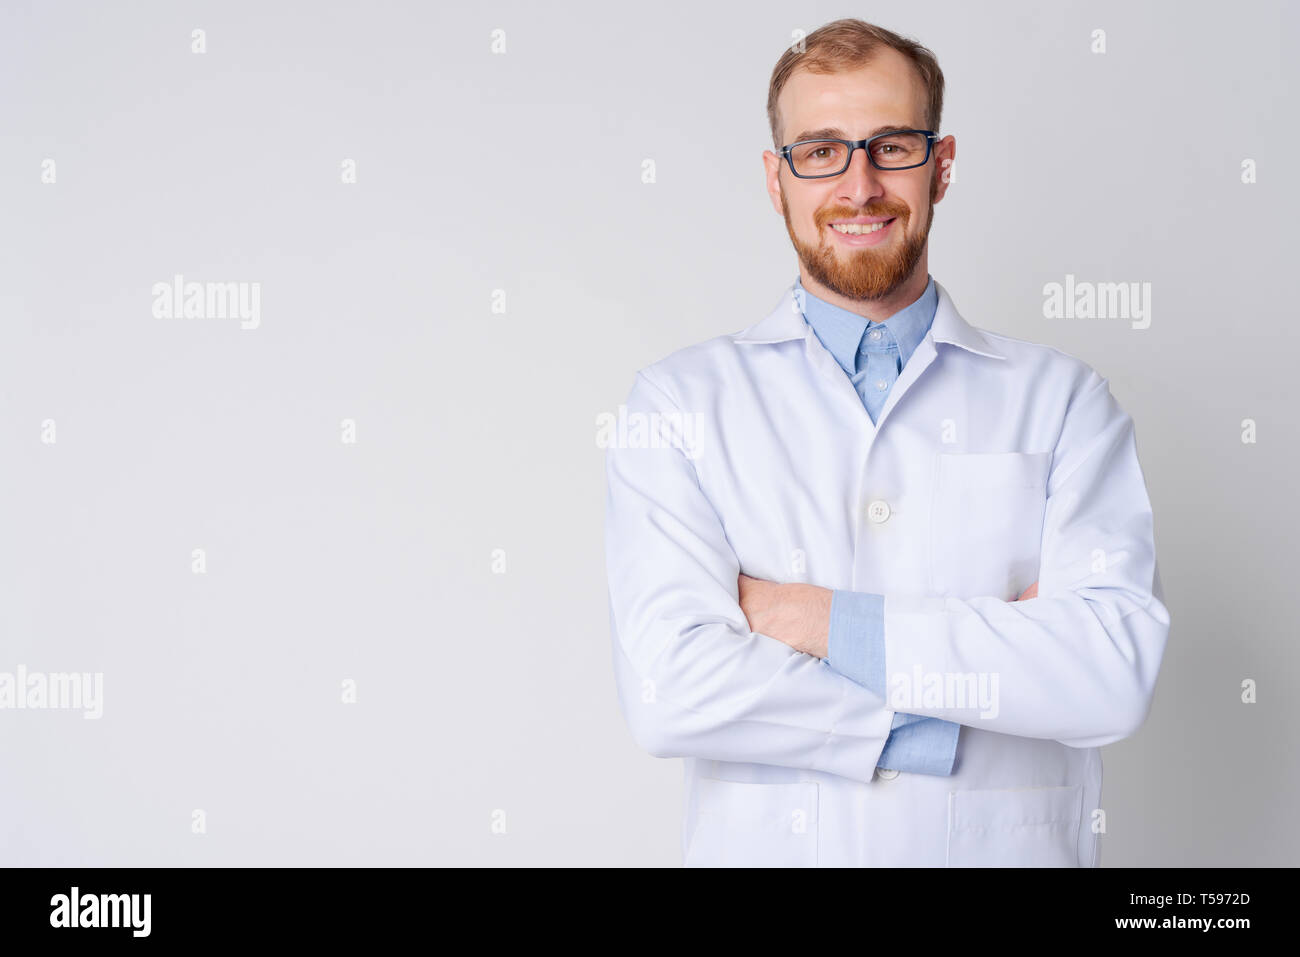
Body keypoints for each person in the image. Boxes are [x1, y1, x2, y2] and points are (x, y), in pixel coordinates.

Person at [603, 18, 1170, 867]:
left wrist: (808, 617)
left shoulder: (1062, 402)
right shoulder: (679, 403)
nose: (859, 185)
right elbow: (670, 693)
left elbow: (1108, 675)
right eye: (821, 150)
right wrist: (977, 685)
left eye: (891, 146)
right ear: (776, 179)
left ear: (940, 165)